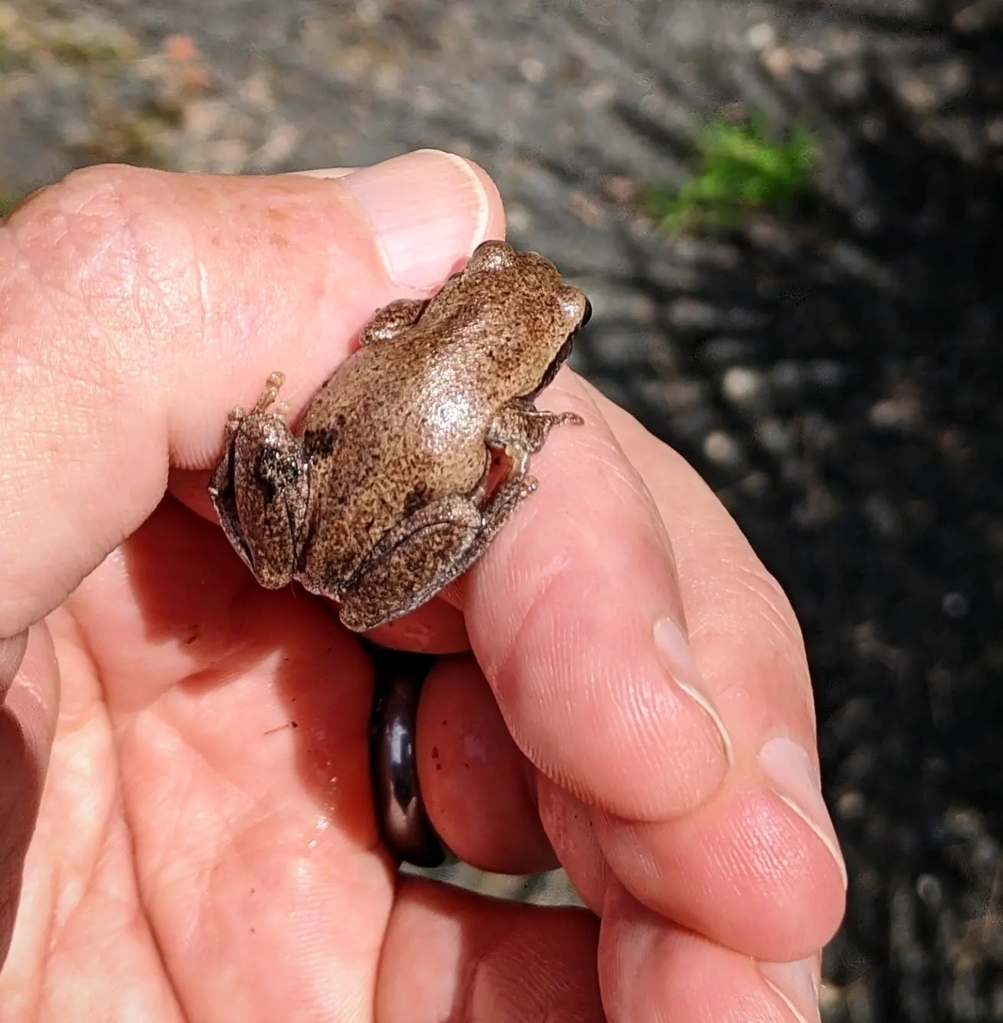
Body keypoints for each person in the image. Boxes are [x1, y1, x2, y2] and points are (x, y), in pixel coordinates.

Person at [0, 150, 845, 1022]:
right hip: (364, 550)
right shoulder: (508, 400)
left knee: (361, 479)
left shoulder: (409, 321)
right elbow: (514, 444)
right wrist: (502, 482)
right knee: (493, 520)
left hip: (292, 522)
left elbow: (383, 333)